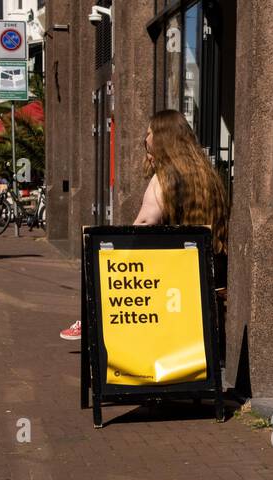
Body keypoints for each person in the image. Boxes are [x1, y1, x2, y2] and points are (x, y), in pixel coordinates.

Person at [61, 109, 229, 341]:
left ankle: (92, 321)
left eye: (148, 133)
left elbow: (143, 223)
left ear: (161, 137)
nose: (145, 139)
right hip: (208, 271)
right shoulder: (209, 176)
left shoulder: (165, 177)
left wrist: (116, 263)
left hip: (170, 274)